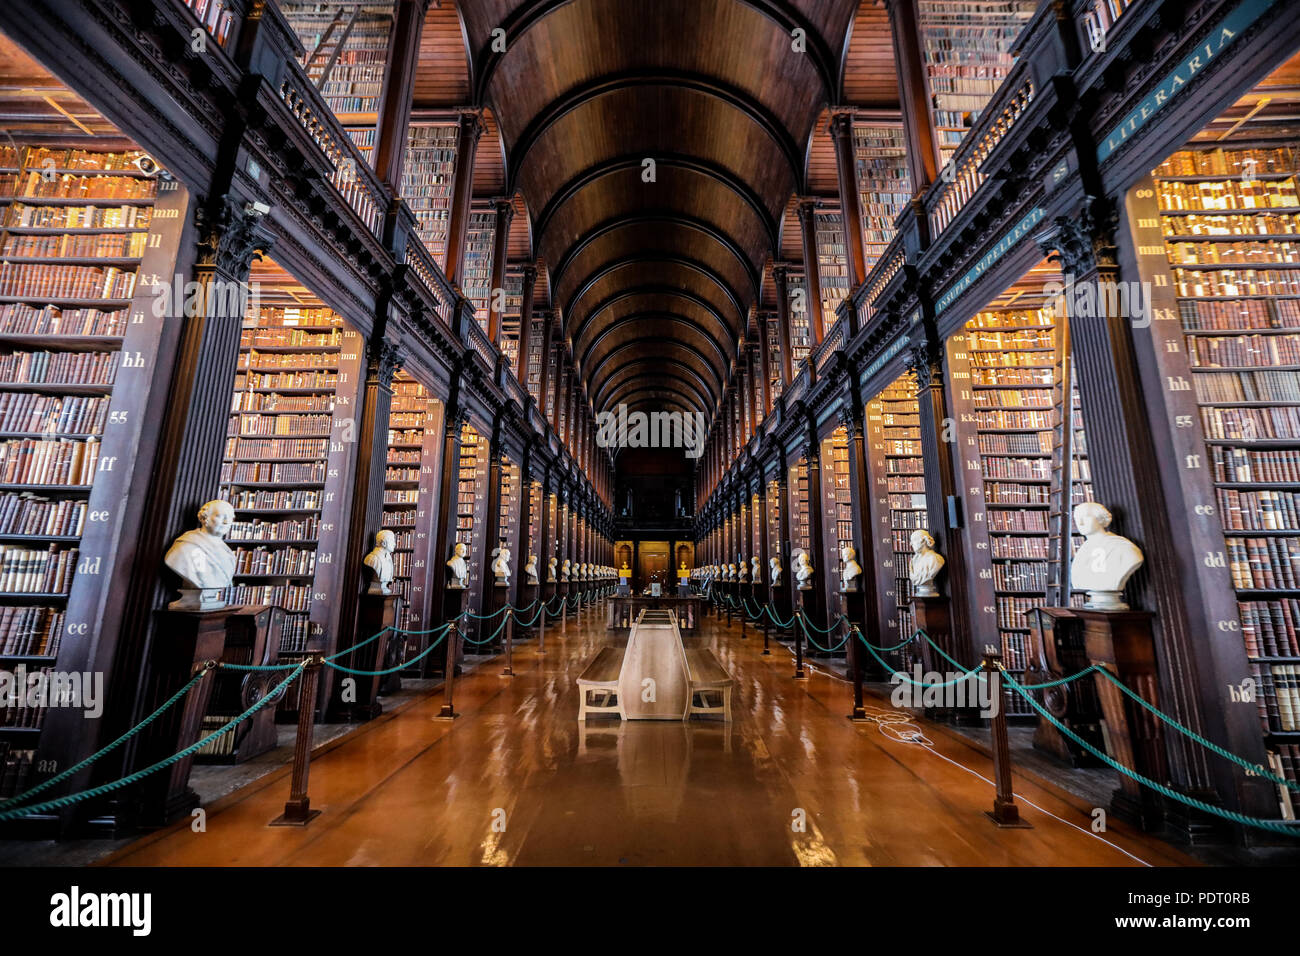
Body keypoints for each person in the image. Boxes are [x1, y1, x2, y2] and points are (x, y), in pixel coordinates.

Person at [1071, 501, 1144, 610]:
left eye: (1085, 517)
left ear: (1100, 518)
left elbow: (1134, 559)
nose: (1080, 523)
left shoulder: (1122, 547)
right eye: (1077, 518)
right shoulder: (1082, 551)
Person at [164, 499, 237, 591]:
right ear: (204, 518)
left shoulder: (228, 552)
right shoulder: (187, 545)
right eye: (220, 516)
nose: (226, 522)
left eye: (230, 517)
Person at [908, 529, 944, 597]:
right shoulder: (913, 561)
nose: (911, 544)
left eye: (914, 540)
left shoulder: (935, 559)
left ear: (923, 541)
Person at [363, 529, 396, 594]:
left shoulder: (389, 558)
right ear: (383, 543)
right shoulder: (372, 558)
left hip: (384, 590)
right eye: (392, 541)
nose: (394, 544)